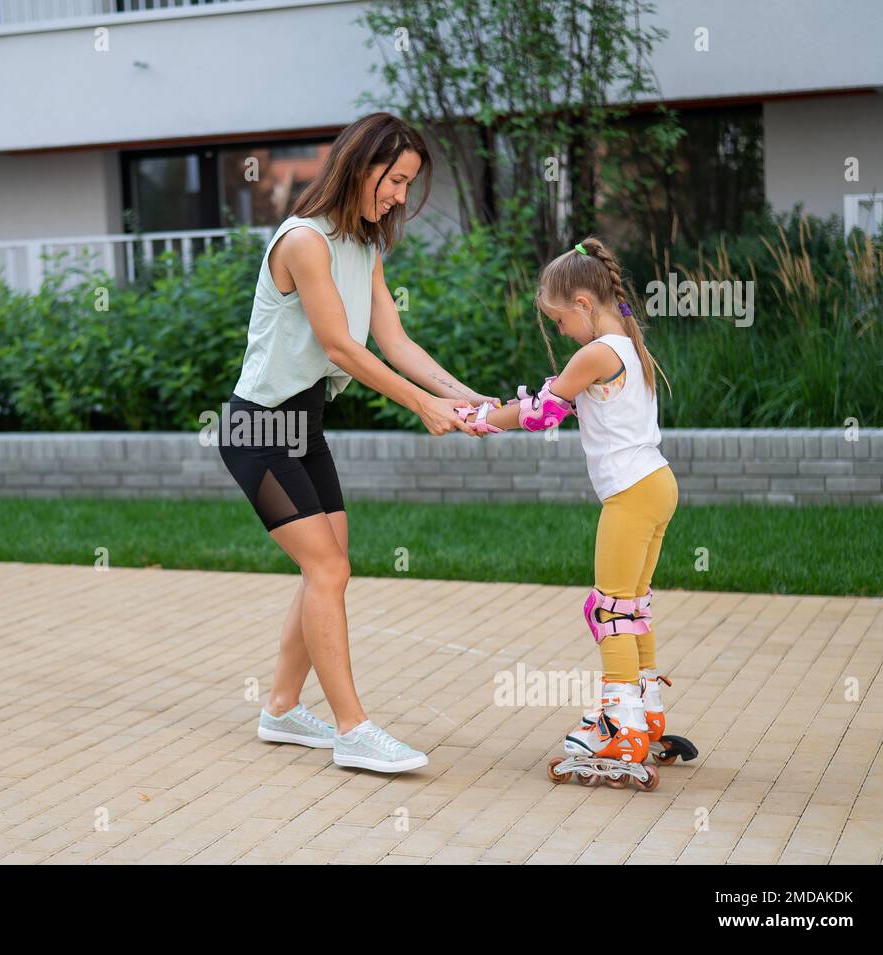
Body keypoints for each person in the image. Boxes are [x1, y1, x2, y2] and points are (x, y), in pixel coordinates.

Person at [218, 112, 499, 774]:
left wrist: (469, 397)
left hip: (304, 426)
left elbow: (394, 341)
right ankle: (353, 728)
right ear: (363, 165)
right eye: (396, 179)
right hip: (257, 428)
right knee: (328, 570)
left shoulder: (362, 245)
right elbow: (342, 343)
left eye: (408, 183)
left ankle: (282, 708)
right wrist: (423, 404)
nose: (401, 195)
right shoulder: (304, 242)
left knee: (329, 565)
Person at [463, 236, 679, 791]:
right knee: (633, 604)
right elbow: (550, 403)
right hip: (656, 484)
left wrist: (485, 418)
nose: (560, 332)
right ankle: (645, 707)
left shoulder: (595, 352)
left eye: (559, 320)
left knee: (607, 608)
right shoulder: (627, 341)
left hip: (631, 493)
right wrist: (496, 409)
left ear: (583, 303)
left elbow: (541, 414)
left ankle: (619, 725)